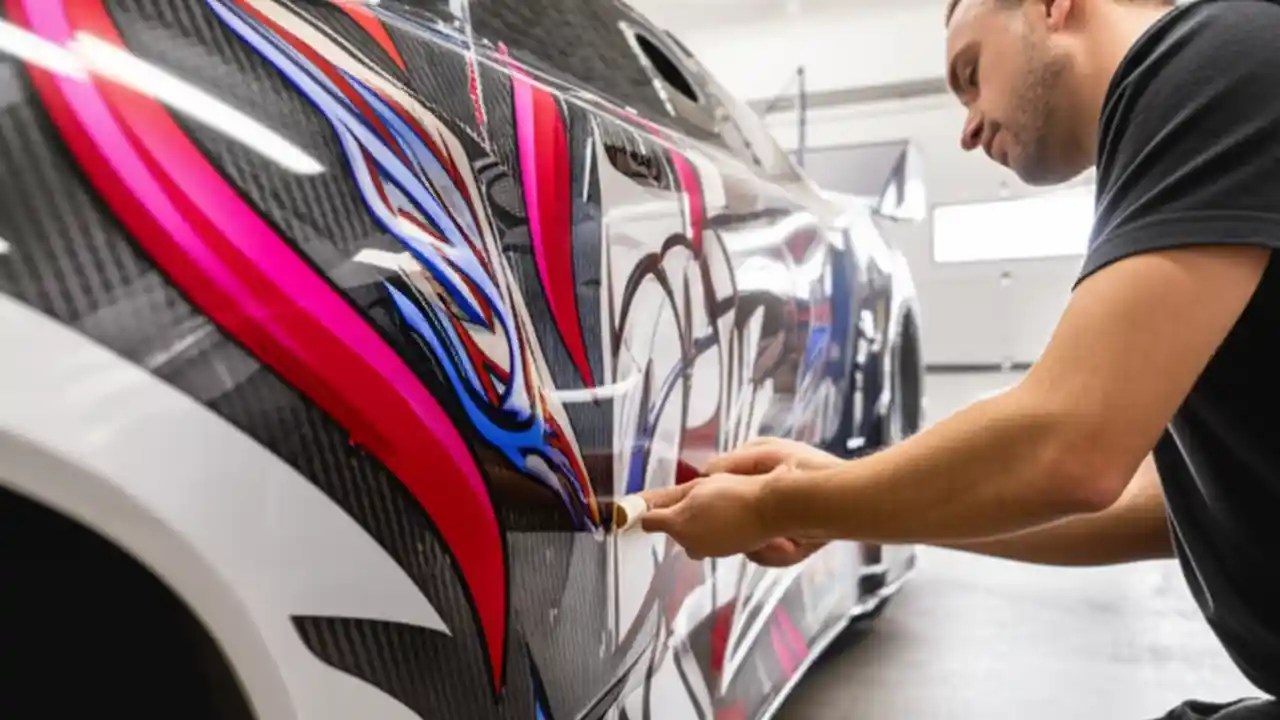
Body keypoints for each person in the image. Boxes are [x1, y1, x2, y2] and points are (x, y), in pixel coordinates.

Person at [636, 0, 1280, 717]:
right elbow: (1168, 510)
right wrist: (849, 502)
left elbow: (1068, 447)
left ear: (1052, 6)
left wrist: (775, 504)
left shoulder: (1212, 57)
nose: (968, 130)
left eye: (971, 74)